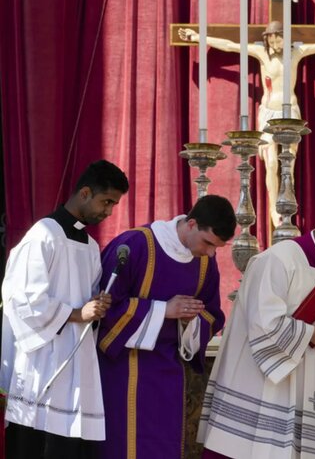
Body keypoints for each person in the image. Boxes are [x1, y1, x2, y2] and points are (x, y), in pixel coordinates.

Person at [197, 206, 315, 459]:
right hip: (259, 387)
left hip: (300, 389)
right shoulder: (276, 260)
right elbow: (263, 326)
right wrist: (310, 334)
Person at [178, 22, 315, 228]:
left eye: (279, 39)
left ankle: (285, 208)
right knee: (271, 163)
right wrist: (198, 38)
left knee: (288, 166)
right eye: (271, 39)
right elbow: (231, 45)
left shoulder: (296, 53)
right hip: (267, 113)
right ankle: (275, 210)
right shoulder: (261, 53)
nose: (275, 44)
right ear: (266, 39)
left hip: (289, 113)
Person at [1, 160, 129, 458]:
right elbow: (21, 298)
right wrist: (77, 314)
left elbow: (87, 301)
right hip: (43, 365)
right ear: (85, 192)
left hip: (76, 363)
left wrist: (98, 305)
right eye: (106, 201)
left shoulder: (90, 246)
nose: (109, 211)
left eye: (114, 204)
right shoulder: (44, 234)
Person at [95, 194, 236, 459]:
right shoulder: (135, 245)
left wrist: (188, 319)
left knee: (164, 446)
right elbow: (106, 307)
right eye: (207, 243)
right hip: (124, 371)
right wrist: (163, 310)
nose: (209, 253)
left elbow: (212, 315)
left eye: (217, 247)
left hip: (169, 373)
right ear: (191, 224)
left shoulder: (205, 262)